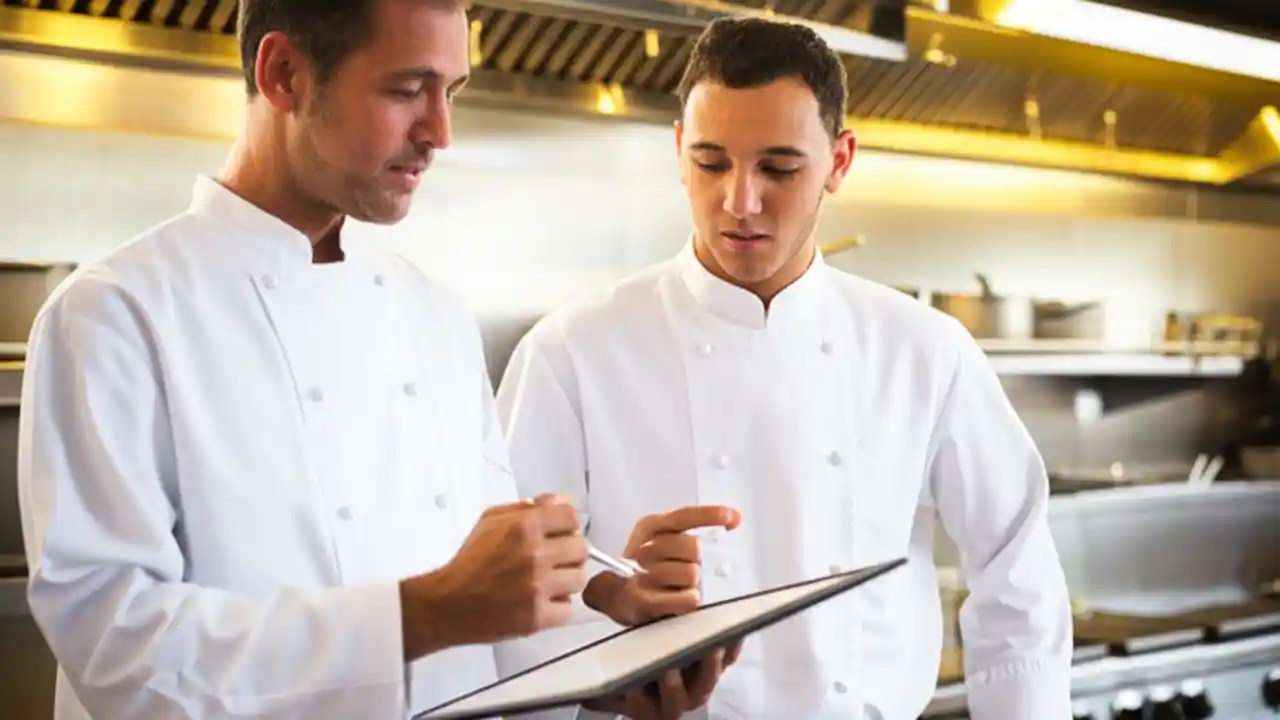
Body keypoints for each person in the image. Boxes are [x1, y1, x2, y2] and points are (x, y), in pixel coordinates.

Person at [16, 1, 730, 718]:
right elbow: (120, 654)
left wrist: (615, 652)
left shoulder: (435, 315)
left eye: (450, 92)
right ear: (284, 74)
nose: (440, 133)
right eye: (405, 89)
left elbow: (494, 637)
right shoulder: (115, 316)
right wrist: (420, 613)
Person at [496, 16, 1074, 720]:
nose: (740, 201)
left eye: (779, 167)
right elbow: (506, 605)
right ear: (679, 151)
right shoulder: (572, 353)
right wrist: (612, 616)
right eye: (711, 163)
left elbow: (1018, 570)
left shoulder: (923, 351)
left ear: (839, 161)